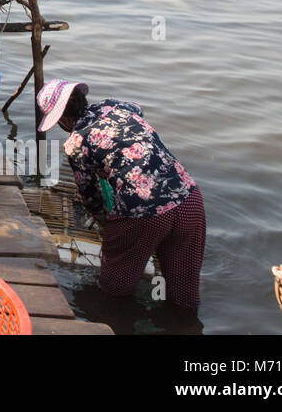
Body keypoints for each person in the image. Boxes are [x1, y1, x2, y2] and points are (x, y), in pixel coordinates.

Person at [38, 79, 206, 310]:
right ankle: (186, 324)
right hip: (189, 198)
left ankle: (119, 323)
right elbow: (138, 109)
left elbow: (91, 197)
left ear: (64, 119)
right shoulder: (115, 106)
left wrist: (109, 228)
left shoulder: (76, 142)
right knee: (184, 296)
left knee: (115, 293)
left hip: (142, 213)